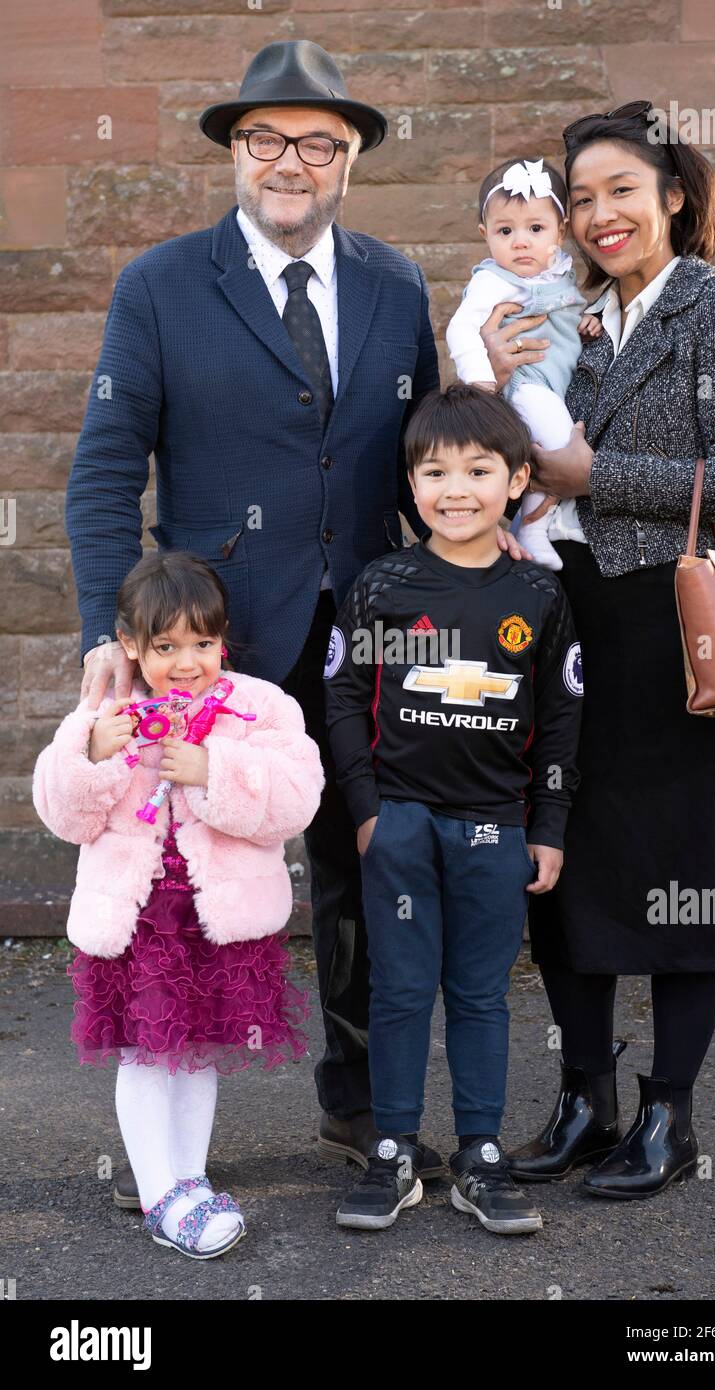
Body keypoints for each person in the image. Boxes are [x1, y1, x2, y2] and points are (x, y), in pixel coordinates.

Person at [64, 39, 447, 1194]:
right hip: (209, 647)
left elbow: (424, 459)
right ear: (236, 151)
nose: (291, 161)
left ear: (349, 164)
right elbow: (102, 473)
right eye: (266, 139)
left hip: (368, 639)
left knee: (369, 874)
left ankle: (365, 1113)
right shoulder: (161, 284)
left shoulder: (394, 284)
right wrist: (107, 637)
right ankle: (168, 1150)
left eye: (317, 143)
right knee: (172, 884)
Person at [480, 101, 715, 1198]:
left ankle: (668, 1115)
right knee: (558, 854)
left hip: (669, 628)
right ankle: (581, 1099)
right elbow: (497, 453)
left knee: (676, 868)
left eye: (621, 191)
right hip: (561, 625)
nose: (600, 215)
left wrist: (591, 478)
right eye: (582, 199)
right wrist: (484, 376)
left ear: (671, 197)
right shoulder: (563, 314)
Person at [324, 384, 583, 1233]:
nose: (456, 488)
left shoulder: (537, 597)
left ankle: (481, 1153)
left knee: (479, 995)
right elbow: (343, 696)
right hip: (400, 824)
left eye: (479, 470)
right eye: (434, 471)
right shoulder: (383, 586)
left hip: (493, 831)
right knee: (398, 992)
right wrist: (367, 811)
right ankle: (394, 1150)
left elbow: (561, 721)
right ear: (411, 482)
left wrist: (545, 828)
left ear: (516, 482)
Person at [32, 551, 324, 1257]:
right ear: (130, 645)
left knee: (197, 1053)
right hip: (141, 922)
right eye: (165, 647)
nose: (187, 662)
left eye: (203, 643)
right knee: (146, 1053)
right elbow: (62, 814)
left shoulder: (258, 707)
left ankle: (189, 1181)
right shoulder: (106, 713)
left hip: (214, 920)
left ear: (223, 639)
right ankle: (163, 1197)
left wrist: (213, 770)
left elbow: (298, 798)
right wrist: (92, 753)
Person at [446, 156, 600, 570]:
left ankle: (526, 530)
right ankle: (531, 528)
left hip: (554, 382)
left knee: (549, 449)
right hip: (527, 384)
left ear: (561, 231)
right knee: (561, 445)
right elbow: (460, 330)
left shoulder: (560, 275)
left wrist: (588, 320)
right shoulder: (494, 281)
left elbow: (567, 314)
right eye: (505, 231)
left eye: (536, 229)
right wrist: (481, 384)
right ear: (485, 235)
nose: (520, 242)